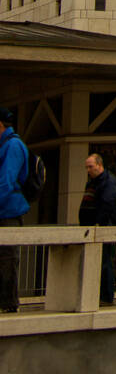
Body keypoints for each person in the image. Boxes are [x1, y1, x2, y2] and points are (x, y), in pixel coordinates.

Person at [78, 153, 116, 305]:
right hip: (90, 227)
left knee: (104, 262)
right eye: (87, 167)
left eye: (91, 166)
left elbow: (108, 204)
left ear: (99, 165)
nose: (88, 170)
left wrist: (99, 223)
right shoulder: (92, 183)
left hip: (103, 227)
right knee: (95, 262)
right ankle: (96, 294)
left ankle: (105, 296)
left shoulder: (108, 182)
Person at [0, 107, 30, 314]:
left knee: (7, 261)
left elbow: (6, 181)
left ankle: (9, 305)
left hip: (7, 213)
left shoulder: (13, 145)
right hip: (4, 211)